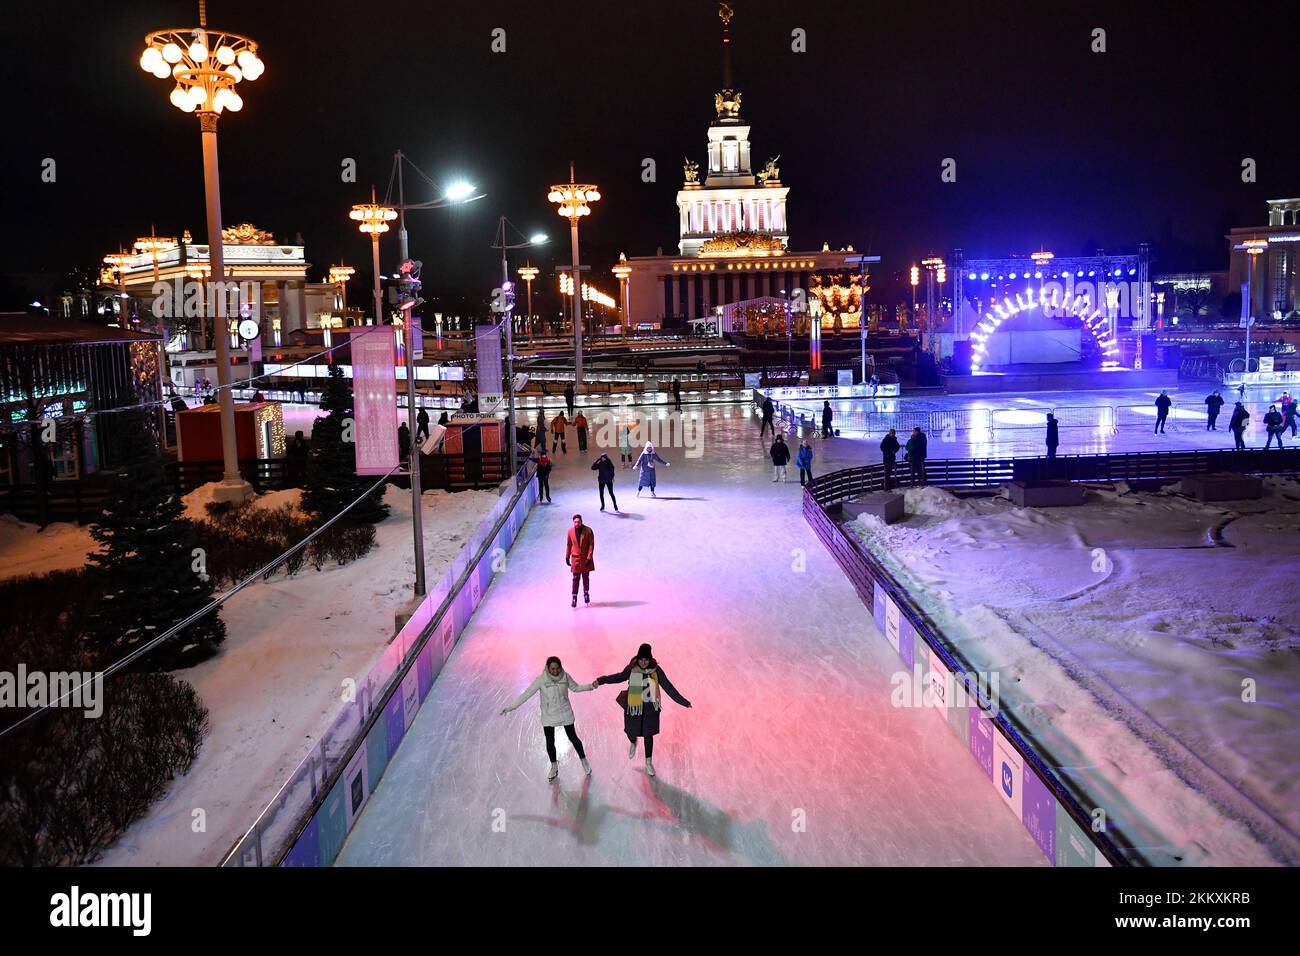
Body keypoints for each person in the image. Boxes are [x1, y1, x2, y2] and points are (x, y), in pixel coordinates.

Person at [594, 643, 691, 779]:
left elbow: (668, 687)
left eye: (646, 660)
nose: (643, 662)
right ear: (638, 659)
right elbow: (618, 677)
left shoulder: (656, 670)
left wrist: (683, 701)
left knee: (648, 735)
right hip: (634, 707)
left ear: (650, 659)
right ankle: (633, 741)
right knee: (630, 731)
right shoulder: (632, 669)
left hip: (650, 708)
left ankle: (648, 761)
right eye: (641, 660)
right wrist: (602, 680)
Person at [499, 656, 595, 780]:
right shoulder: (541, 680)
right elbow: (527, 694)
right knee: (550, 741)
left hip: (565, 712)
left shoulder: (565, 676)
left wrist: (590, 686)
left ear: (560, 667)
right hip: (549, 715)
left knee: (573, 737)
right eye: (552, 669)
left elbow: (576, 687)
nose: (555, 671)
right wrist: (510, 707)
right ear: (548, 668)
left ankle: (584, 761)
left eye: (557, 668)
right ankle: (554, 766)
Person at [565, 514, 595, 607]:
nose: (576, 524)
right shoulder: (570, 532)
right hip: (575, 559)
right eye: (575, 522)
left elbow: (591, 545)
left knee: (586, 577)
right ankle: (574, 597)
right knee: (575, 578)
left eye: (578, 522)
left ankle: (586, 593)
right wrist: (567, 556)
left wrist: (589, 557)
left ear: (581, 522)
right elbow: (569, 545)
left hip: (585, 559)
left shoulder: (588, 531)